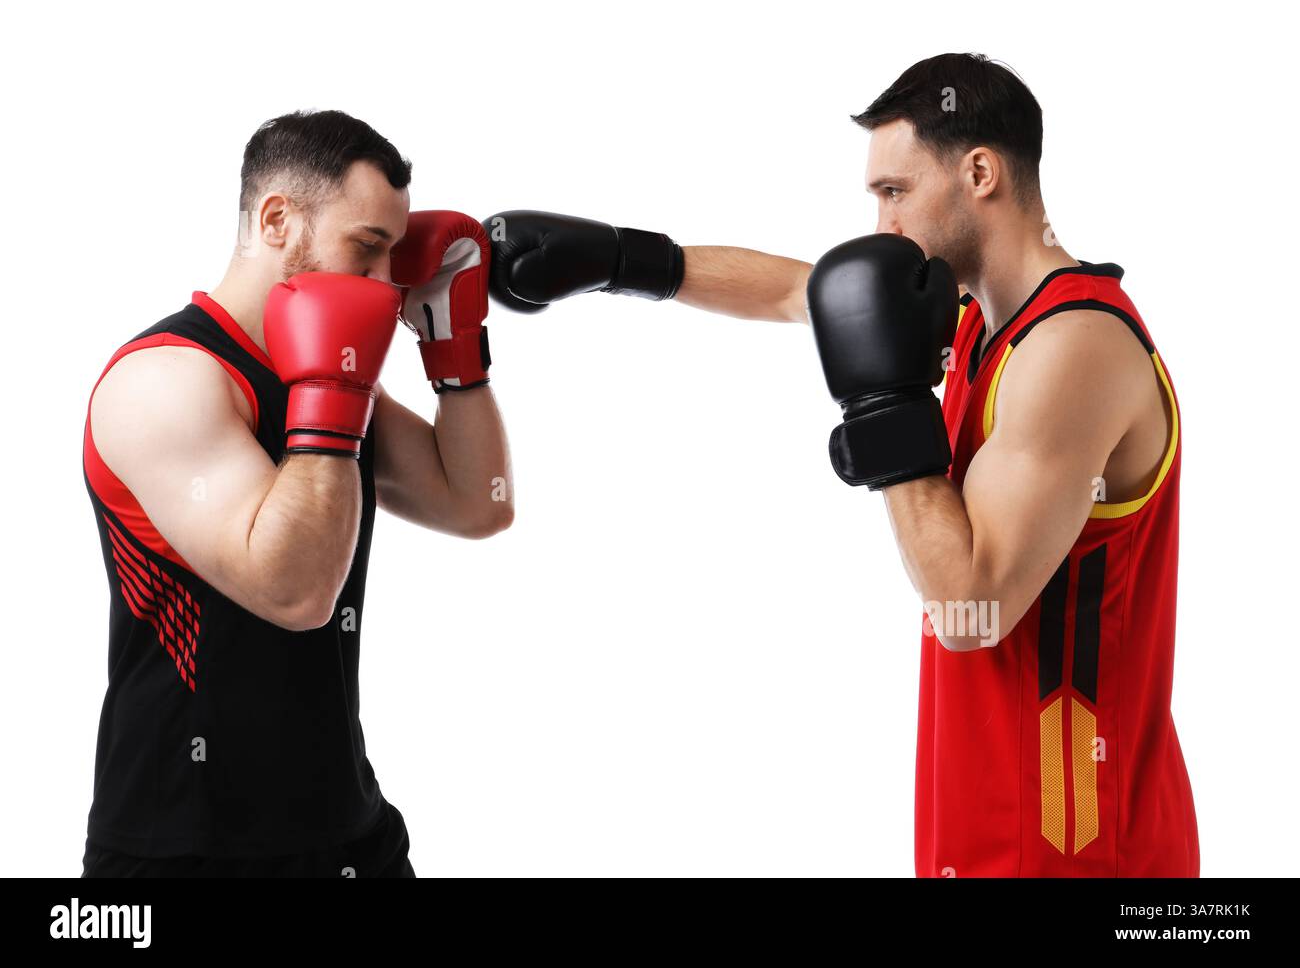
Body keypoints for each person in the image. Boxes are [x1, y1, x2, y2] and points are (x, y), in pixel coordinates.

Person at [483, 53, 1198, 877]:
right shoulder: (976, 320)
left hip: (1080, 846)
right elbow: (804, 291)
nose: (882, 224)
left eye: (894, 192)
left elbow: (974, 607)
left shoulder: (1073, 346)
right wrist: (622, 262)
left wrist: (886, 408)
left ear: (979, 172)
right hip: (980, 826)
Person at [81, 110, 512, 877]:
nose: (386, 284)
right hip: (191, 846)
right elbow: (296, 589)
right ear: (277, 219)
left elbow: (477, 503)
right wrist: (336, 389)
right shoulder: (165, 381)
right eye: (368, 248)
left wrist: (455, 350)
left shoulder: (324, 380)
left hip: (352, 830)